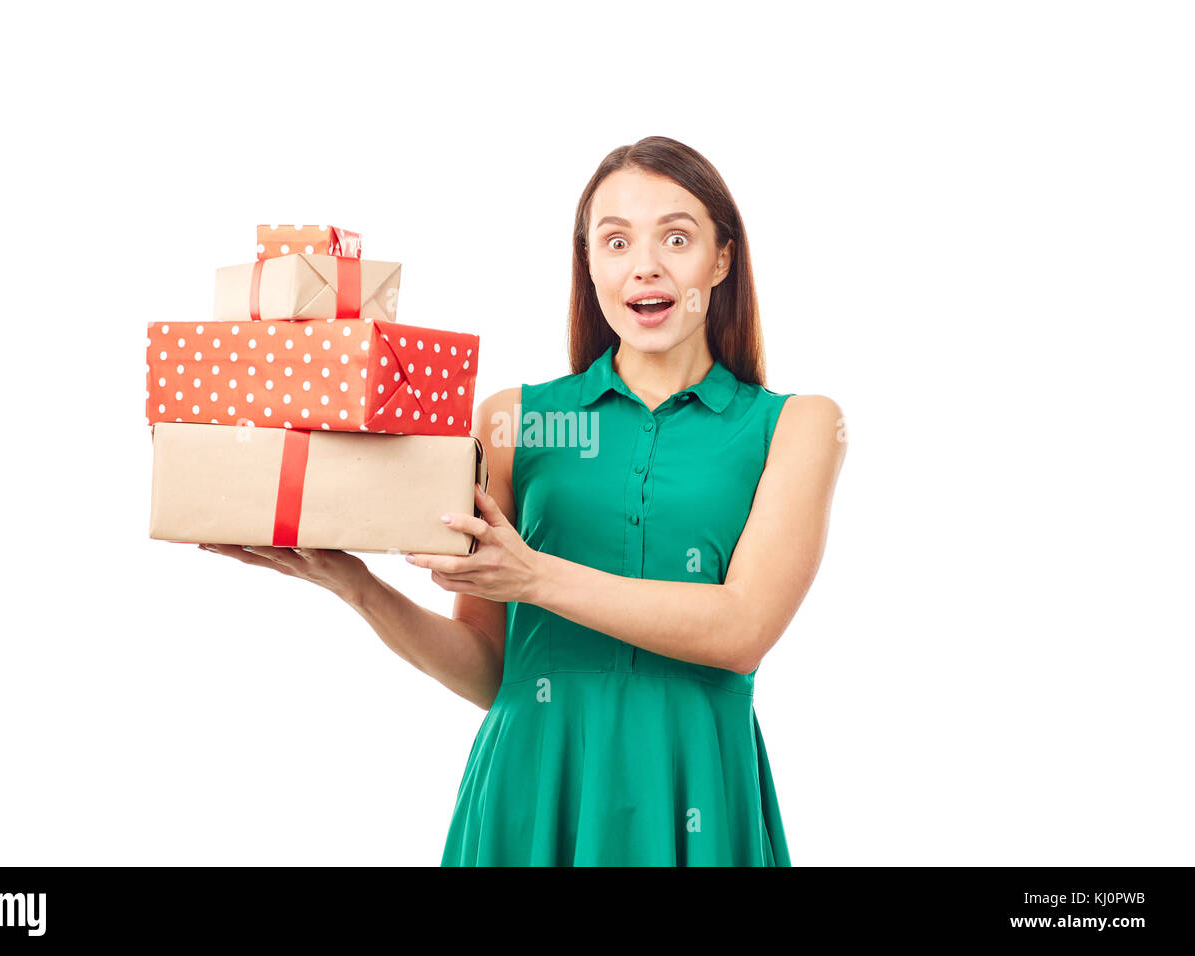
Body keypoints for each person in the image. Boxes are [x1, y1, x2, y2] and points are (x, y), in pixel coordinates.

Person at [199, 135, 848, 866]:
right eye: (615, 241)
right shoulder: (514, 423)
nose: (645, 265)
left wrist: (536, 577)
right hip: (534, 793)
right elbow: (488, 669)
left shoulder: (796, 426)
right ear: (590, 264)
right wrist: (355, 584)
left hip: (694, 789)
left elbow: (742, 629)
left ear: (722, 259)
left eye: (676, 236)